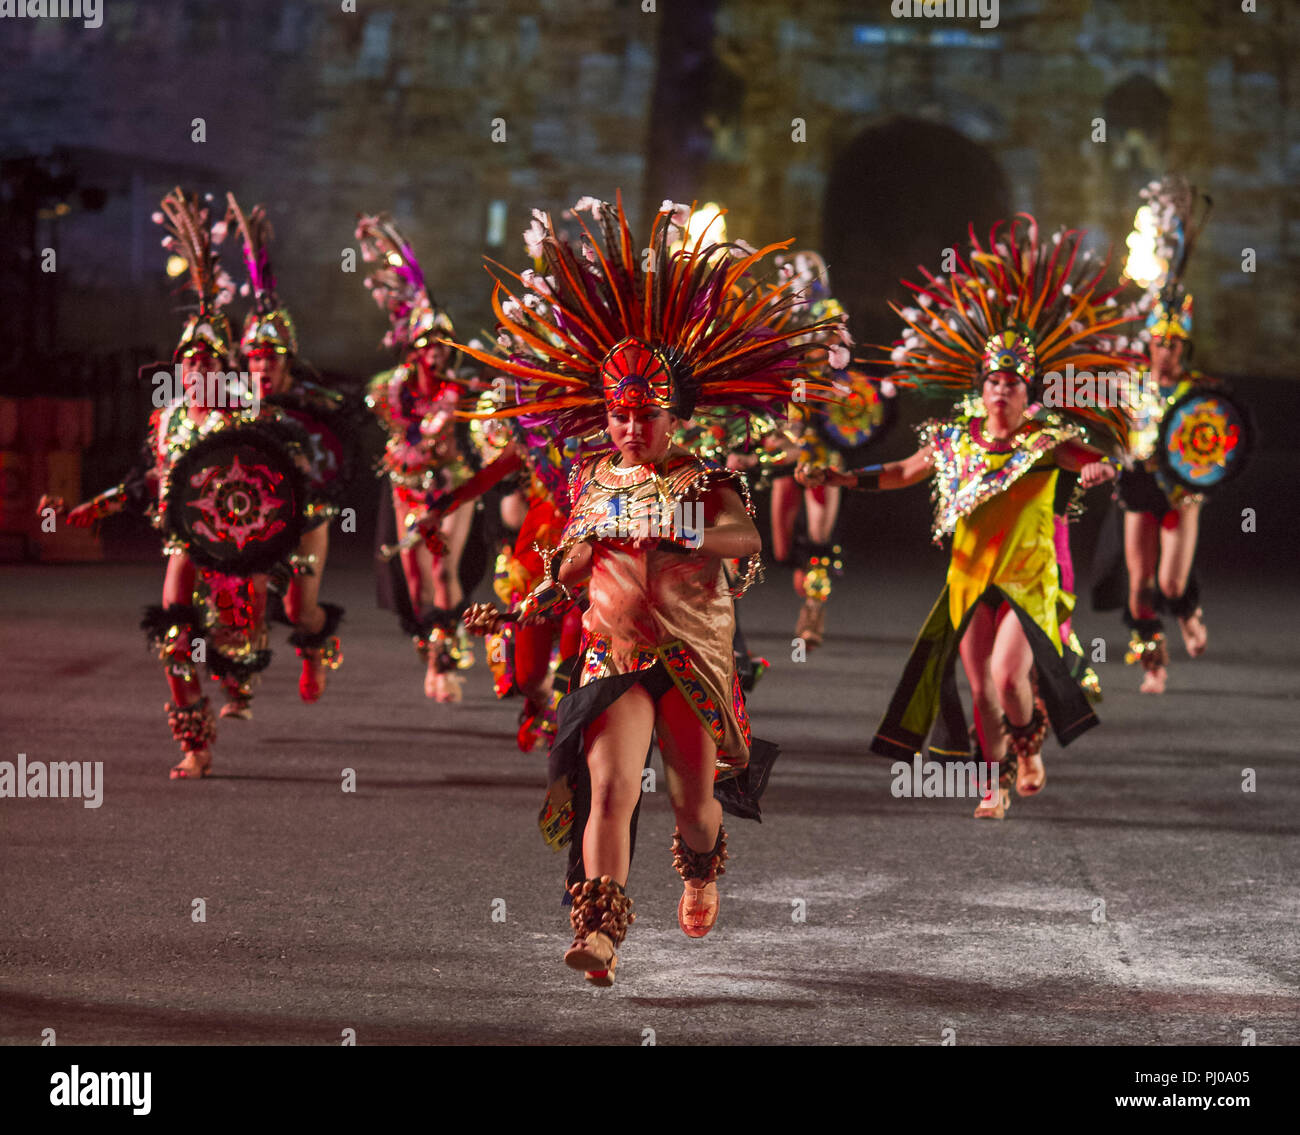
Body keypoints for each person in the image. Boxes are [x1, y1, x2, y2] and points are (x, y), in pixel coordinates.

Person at [458, 195, 843, 984]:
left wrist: (683, 525)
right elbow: (571, 566)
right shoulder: (592, 482)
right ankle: (598, 930)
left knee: (692, 800)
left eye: (647, 414)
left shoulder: (707, 480)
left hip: (692, 658)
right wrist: (521, 606)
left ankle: (700, 866)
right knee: (608, 791)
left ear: (673, 417)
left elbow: (747, 539)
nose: (631, 427)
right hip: (613, 656)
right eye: (620, 413)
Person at [803, 216, 1135, 819]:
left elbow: (1096, 459)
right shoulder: (956, 440)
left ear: (1026, 389)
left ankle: (1029, 744)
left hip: (1029, 578)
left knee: (1009, 678)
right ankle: (995, 781)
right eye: (994, 381)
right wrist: (842, 478)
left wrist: (1097, 470)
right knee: (980, 686)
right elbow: (904, 471)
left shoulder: (1046, 438)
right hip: (970, 578)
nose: (1002, 391)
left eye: (1012, 382)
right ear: (981, 388)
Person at [47, 189, 313, 778]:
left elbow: (276, 483)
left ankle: (237, 678)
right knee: (174, 638)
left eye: (207, 360)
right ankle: (195, 743)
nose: (196, 369)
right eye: (188, 360)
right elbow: (152, 476)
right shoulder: (168, 420)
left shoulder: (240, 421)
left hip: (235, 553)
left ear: (223, 367)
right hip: (182, 544)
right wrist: (92, 508)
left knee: (234, 649)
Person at [226, 194, 349, 711]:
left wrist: (305, 470)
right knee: (247, 599)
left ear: (288, 361)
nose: (263, 366)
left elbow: (340, 462)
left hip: (306, 516)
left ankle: (315, 647)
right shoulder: (230, 408)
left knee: (299, 610)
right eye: (254, 356)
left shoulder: (316, 406)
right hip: (252, 516)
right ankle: (239, 687)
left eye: (272, 357)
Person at [357, 214, 477, 702]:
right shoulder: (393, 389)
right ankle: (433, 648)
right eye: (428, 348)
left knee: (443, 568)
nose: (436, 357)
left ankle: (444, 666)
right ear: (414, 350)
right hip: (408, 484)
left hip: (453, 487)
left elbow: (492, 407)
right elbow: (379, 422)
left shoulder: (463, 391)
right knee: (416, 582)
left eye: (443, 349)